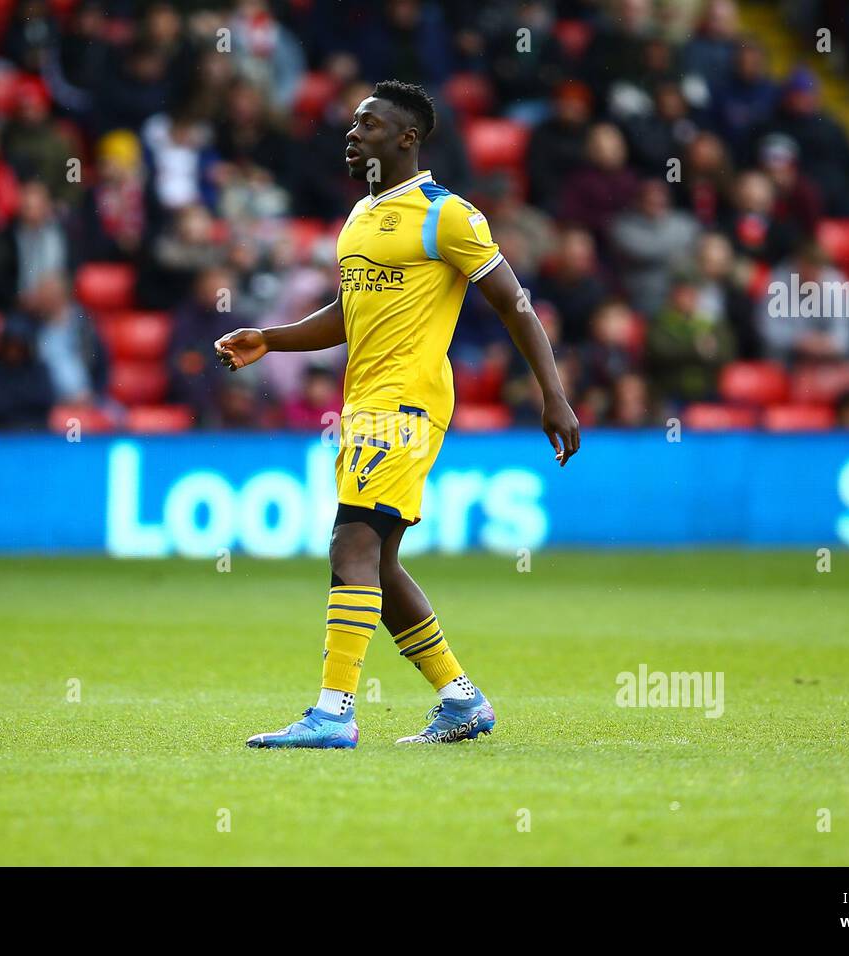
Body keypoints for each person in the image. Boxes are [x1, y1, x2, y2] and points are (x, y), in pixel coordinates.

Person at [214, 80, 579, 749]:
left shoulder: (449, 215)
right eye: (353, 124)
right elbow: (348, 315)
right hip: (365, 401)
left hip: (405, 401)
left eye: (369, 124)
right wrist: (271, 338)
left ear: (407, 138)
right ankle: (460, 699)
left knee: (349, 542)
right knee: (377, 561)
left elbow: (514, 303)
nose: (352, 134)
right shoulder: (360, 218)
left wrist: (551, 395)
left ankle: (332, 713)